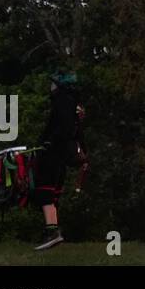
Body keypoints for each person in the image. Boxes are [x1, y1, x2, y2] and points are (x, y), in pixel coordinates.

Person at [31, 73, 85, 251]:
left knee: (44, 190)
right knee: (51, 193)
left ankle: (52, 232)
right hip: (61, 155)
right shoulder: (73, 104)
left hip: (53, 153)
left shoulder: (63, 101)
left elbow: (64, 128)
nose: (50, 87)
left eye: (53, 84)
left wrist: (48, 142)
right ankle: (52, 231)